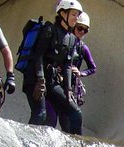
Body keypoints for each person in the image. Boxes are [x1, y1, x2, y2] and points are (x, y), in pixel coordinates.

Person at [22, 0, 83, 134]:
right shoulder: (49, 30)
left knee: (75, 113)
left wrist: (68, 91)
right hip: (35, 78)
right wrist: (40, 81)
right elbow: (38, 56)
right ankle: (23, 144)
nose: (76, 18)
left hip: (51, 81)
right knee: (40, 114)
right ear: (62, 13)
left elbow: (67, 66)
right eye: (73, 14)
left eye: (78, 15)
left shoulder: (72, 39)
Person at [46, 10, 95, 130]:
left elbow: (93, 68)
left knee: (67, 123)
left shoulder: (83, 47)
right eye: (80, 28)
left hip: (69, 88)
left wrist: (80, 73)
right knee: (50, 119)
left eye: (85, 30)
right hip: (55, 84)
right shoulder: (63, 39)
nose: (82, 32)